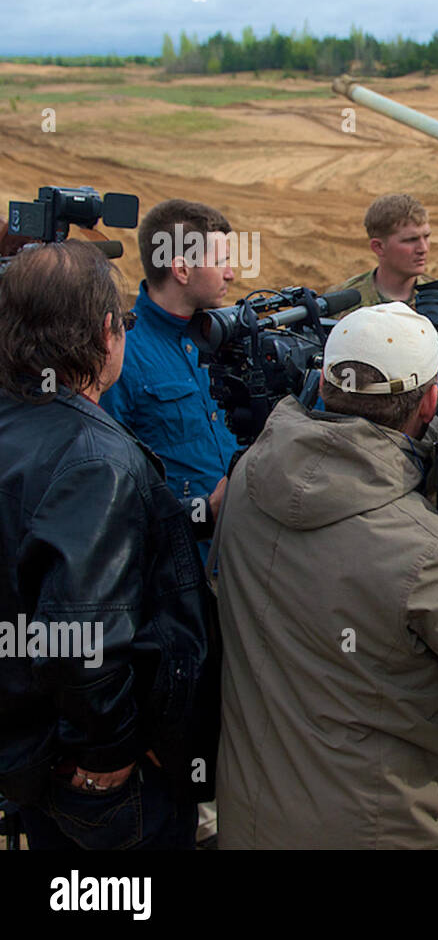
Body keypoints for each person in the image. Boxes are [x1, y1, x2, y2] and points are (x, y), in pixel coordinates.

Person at [214, 302, 438, 848]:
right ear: (432, 400)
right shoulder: (431, 551)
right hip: (381, 831)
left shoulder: (247, 480)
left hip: (255, 819)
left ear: (324, 381)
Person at [0, 241, 219, 850]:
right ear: (104, 332)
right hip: (95, 780)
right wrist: (109, 758)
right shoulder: (96, 461)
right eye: (122, 322)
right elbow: (79, 640)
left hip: (29, 752)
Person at [100, 199, 240, 547]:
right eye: (221, 262)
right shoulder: (121, 354)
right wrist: (203, 511)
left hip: (242, 557)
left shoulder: (230, 340)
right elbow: (109, 495)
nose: (231, 273)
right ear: (181, 270)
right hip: (176, 568)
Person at [332, 193, 438, 325]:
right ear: (378, 247)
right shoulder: (341, 303)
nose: (423, 248)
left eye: (426, 237)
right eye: (411, 240)